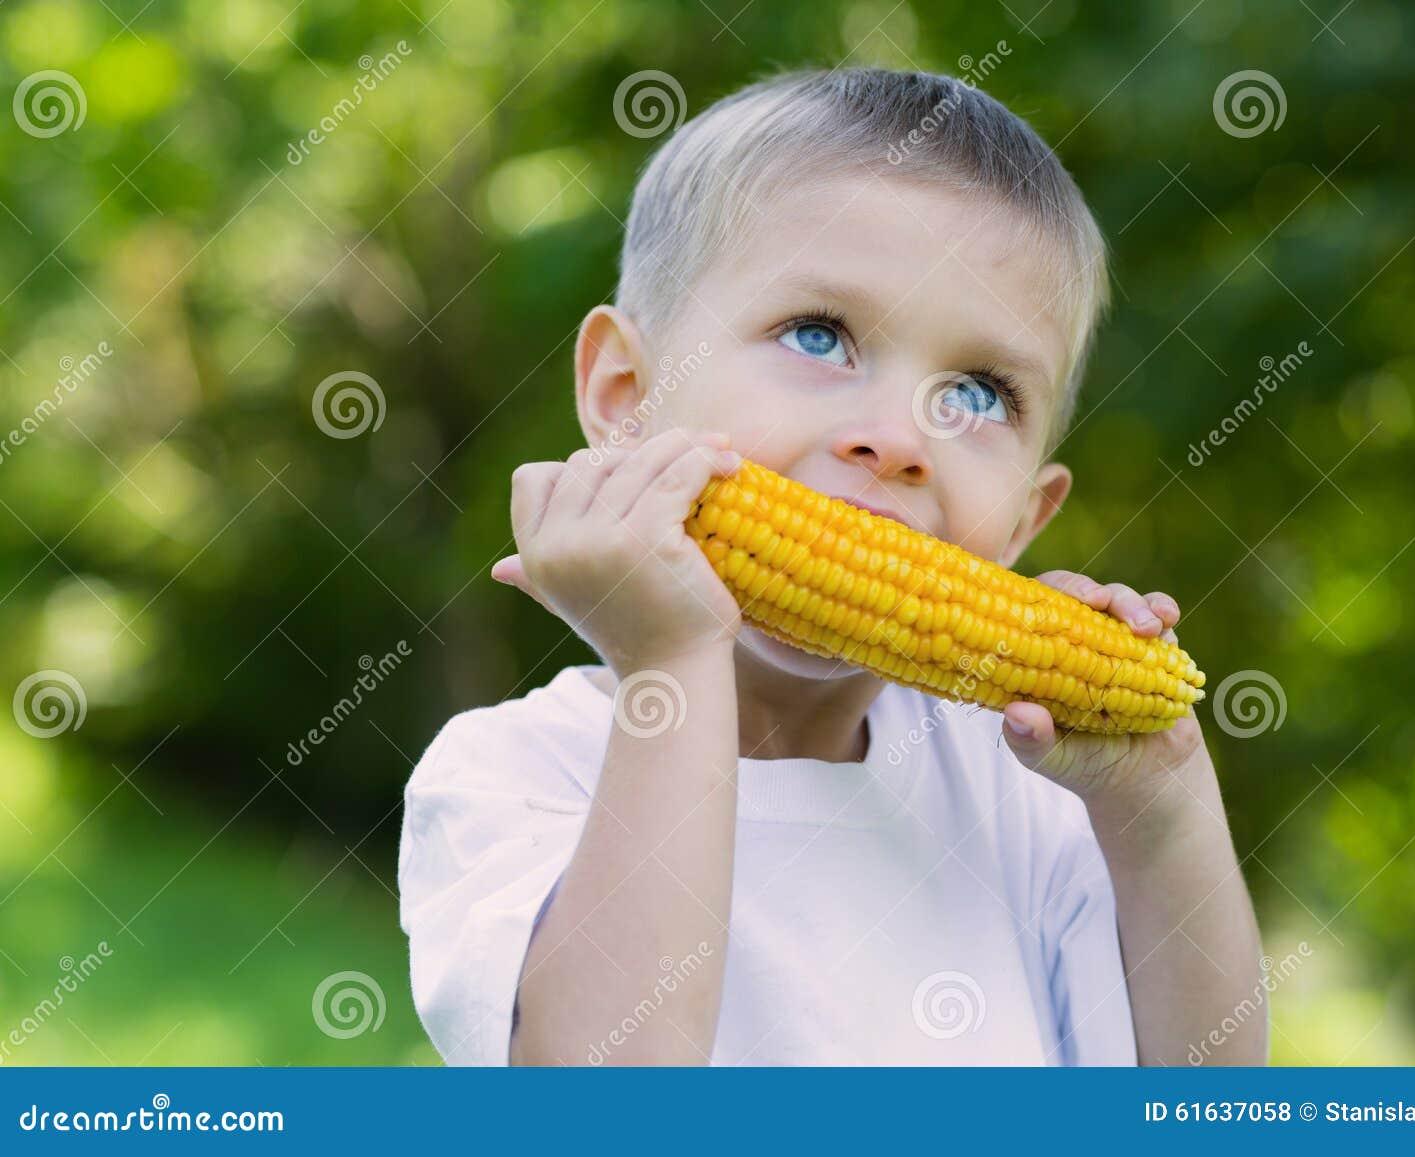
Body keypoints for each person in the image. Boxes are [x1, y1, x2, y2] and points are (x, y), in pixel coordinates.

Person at [398, 68, 1265, 1066]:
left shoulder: (1028, 802)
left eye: (978, 394)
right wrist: (671, 661)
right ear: (628, 392)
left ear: (1026, 518)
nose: (899, 439)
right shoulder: (517, 770)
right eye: (819, 334)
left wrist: (1161, 813)